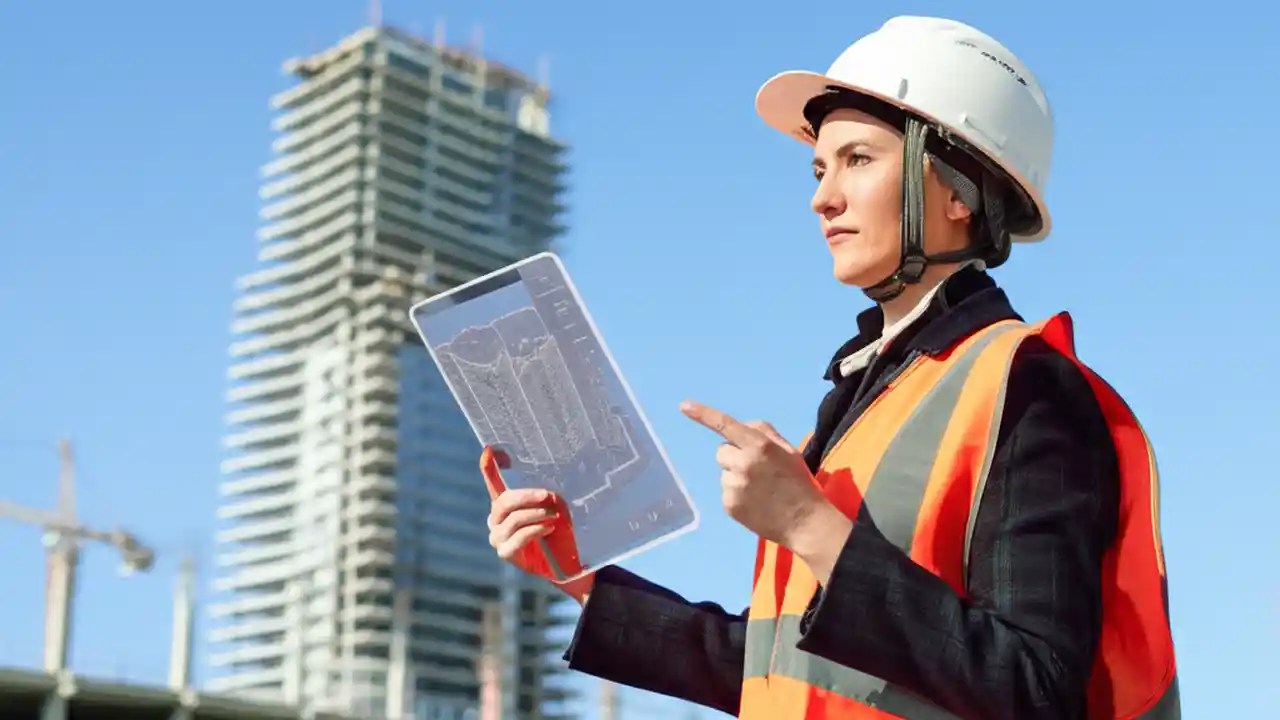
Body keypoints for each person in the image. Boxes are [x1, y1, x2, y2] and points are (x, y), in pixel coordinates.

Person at [482, 15, 1179, 720]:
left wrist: (810, 526)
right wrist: (584, 577)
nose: (823, 197)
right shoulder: (865, 398)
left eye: (859, 160)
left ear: (959, 192)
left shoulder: (1026, 385)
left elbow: (1035, 686)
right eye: (821, 168)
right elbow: (775, 668)